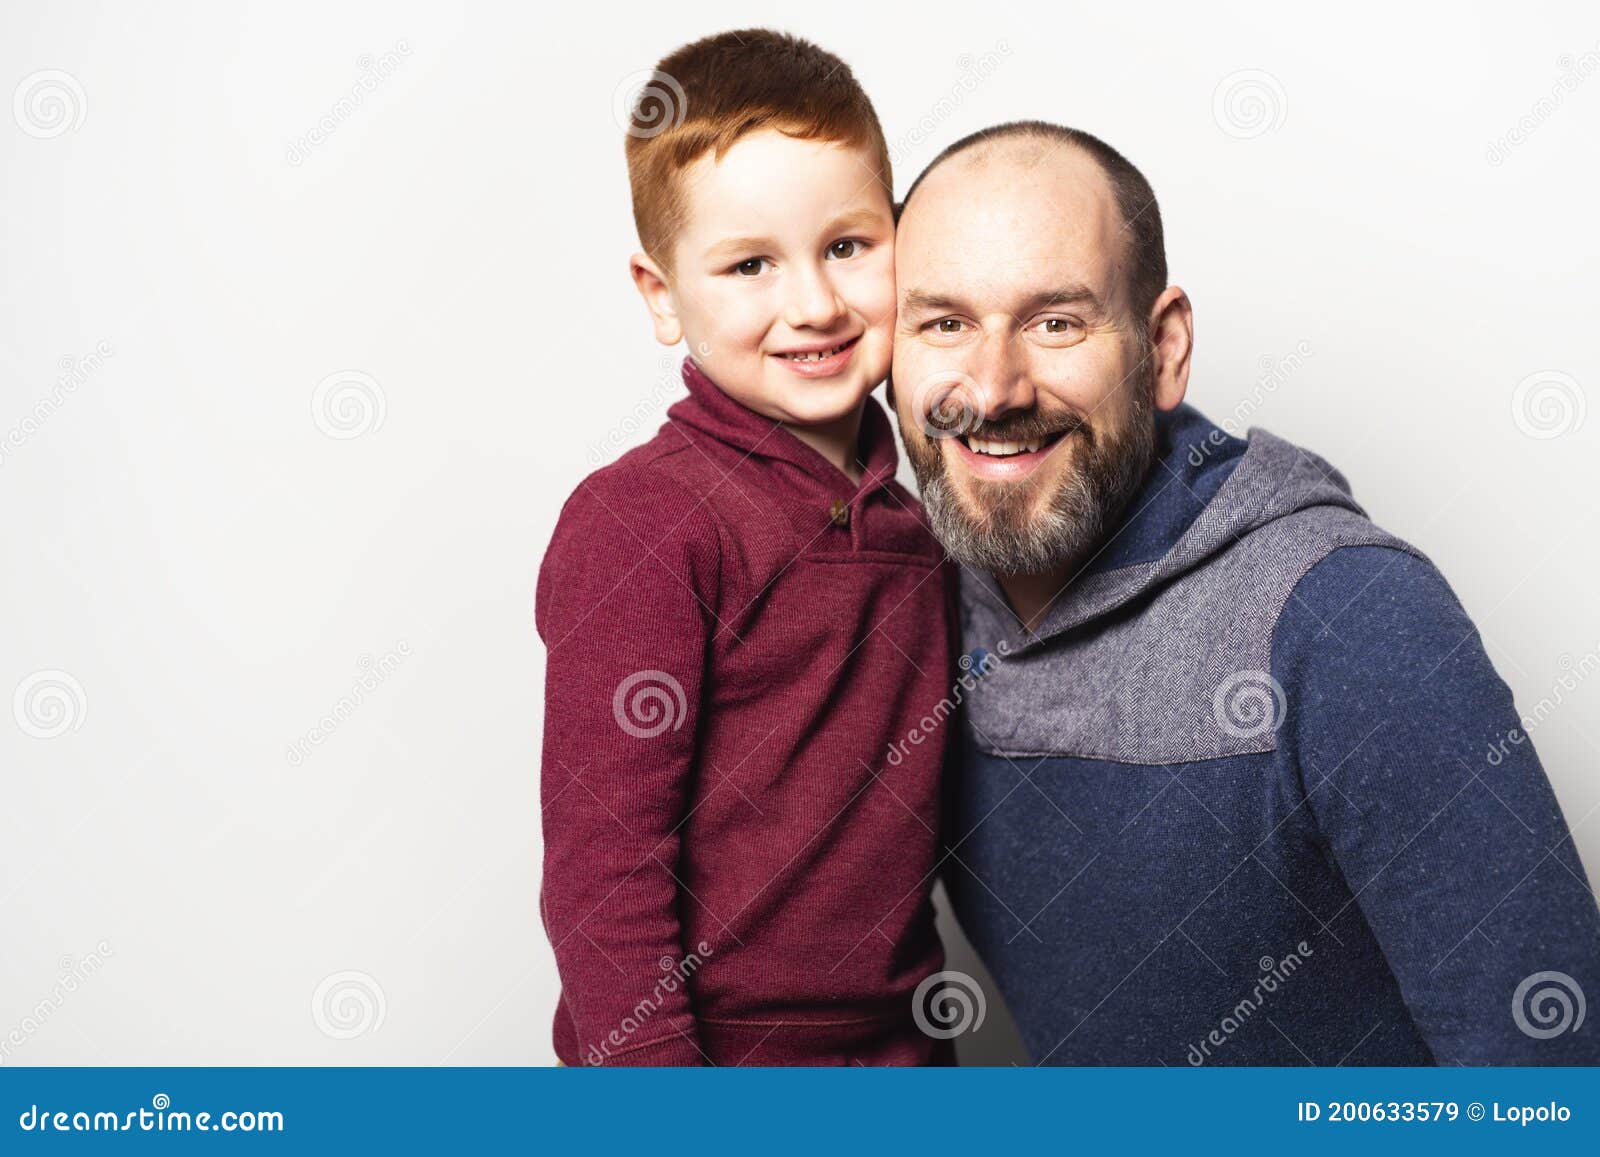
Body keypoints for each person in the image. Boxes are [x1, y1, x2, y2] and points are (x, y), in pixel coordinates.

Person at [890, 120, 1600, 1065]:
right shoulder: (906, 624)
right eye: (944, 323)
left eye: (1055, 322)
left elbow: (1555, 1098)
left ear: (1164, 346)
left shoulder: (1347, 621)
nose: (992, 385)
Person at [536, 29, 957, 1066]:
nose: (812, 303)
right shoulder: (644, 521)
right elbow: (603, 875)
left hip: (902, 1050)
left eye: (848, 247)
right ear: (661, 295)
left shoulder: (918, 523)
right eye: (749, 264)